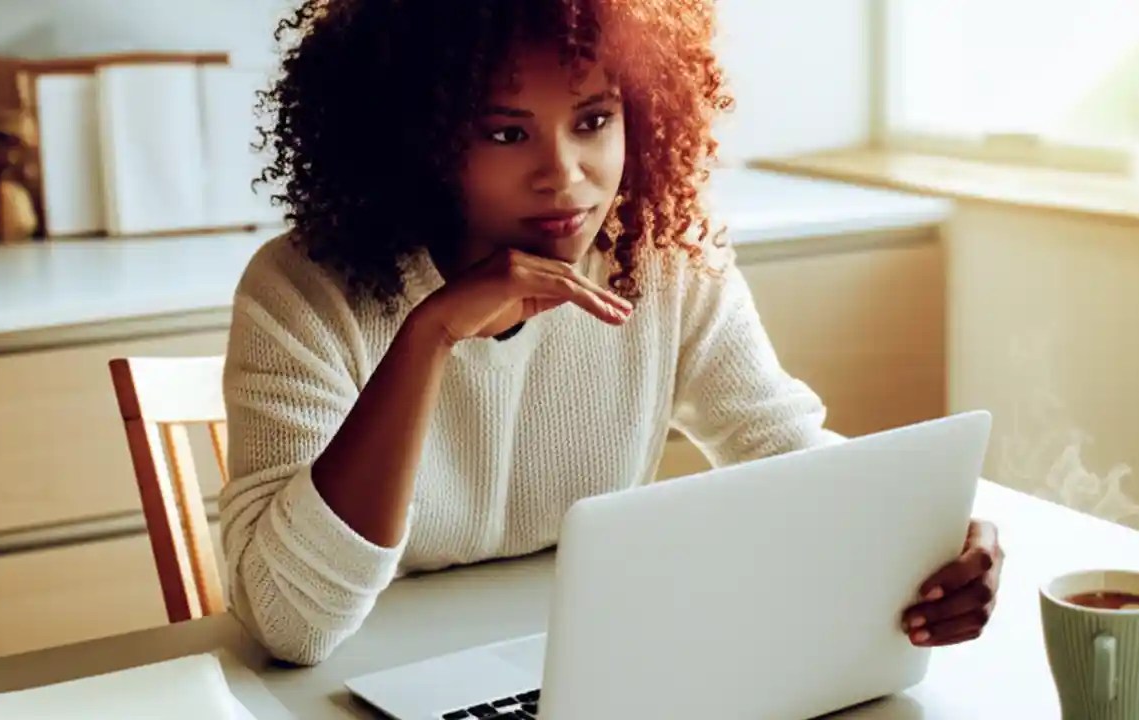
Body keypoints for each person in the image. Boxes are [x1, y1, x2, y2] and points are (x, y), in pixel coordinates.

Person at [221, 0, 1004, 666]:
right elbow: (294, 626)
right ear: (417, 137)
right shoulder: (304, 291)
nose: (563, 174)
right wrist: (429, 337)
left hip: (583, 661)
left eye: (594, 120)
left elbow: (786, 455)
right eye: (505, 134)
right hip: (366, 676)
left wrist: (928, 532)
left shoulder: (663, 266)